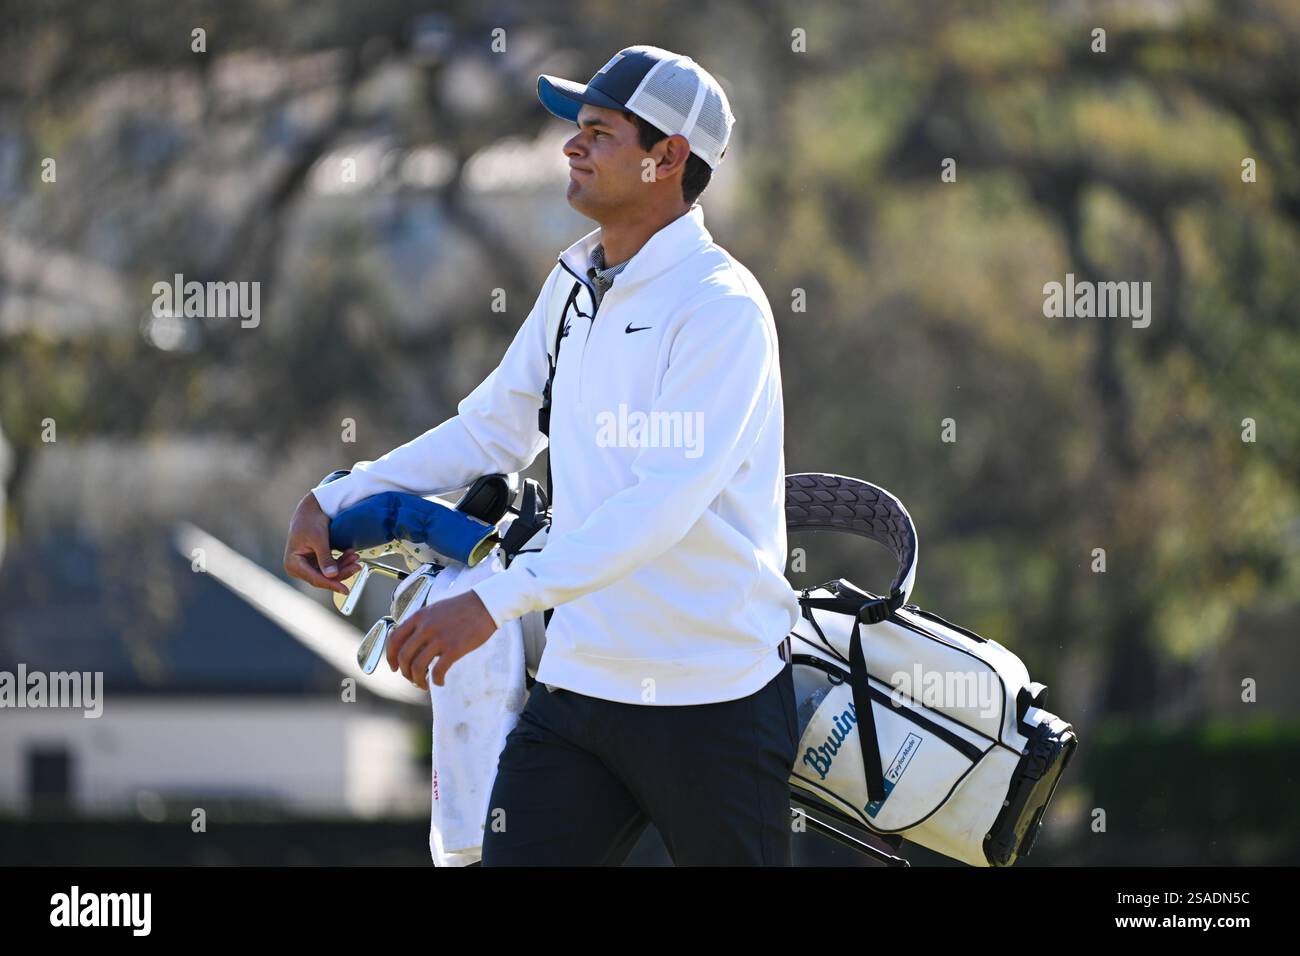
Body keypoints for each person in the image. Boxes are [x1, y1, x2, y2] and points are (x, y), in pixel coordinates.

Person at [283, 45, 801, 865]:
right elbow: (491, 430)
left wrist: (495, 601)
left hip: (716, 700)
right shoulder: (573, 281)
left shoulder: (720, 309)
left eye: (598, 131)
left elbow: (657, 507)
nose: (572, 146)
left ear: (667, 159)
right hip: (582, 692)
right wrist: (341, 495)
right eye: (577, 129)